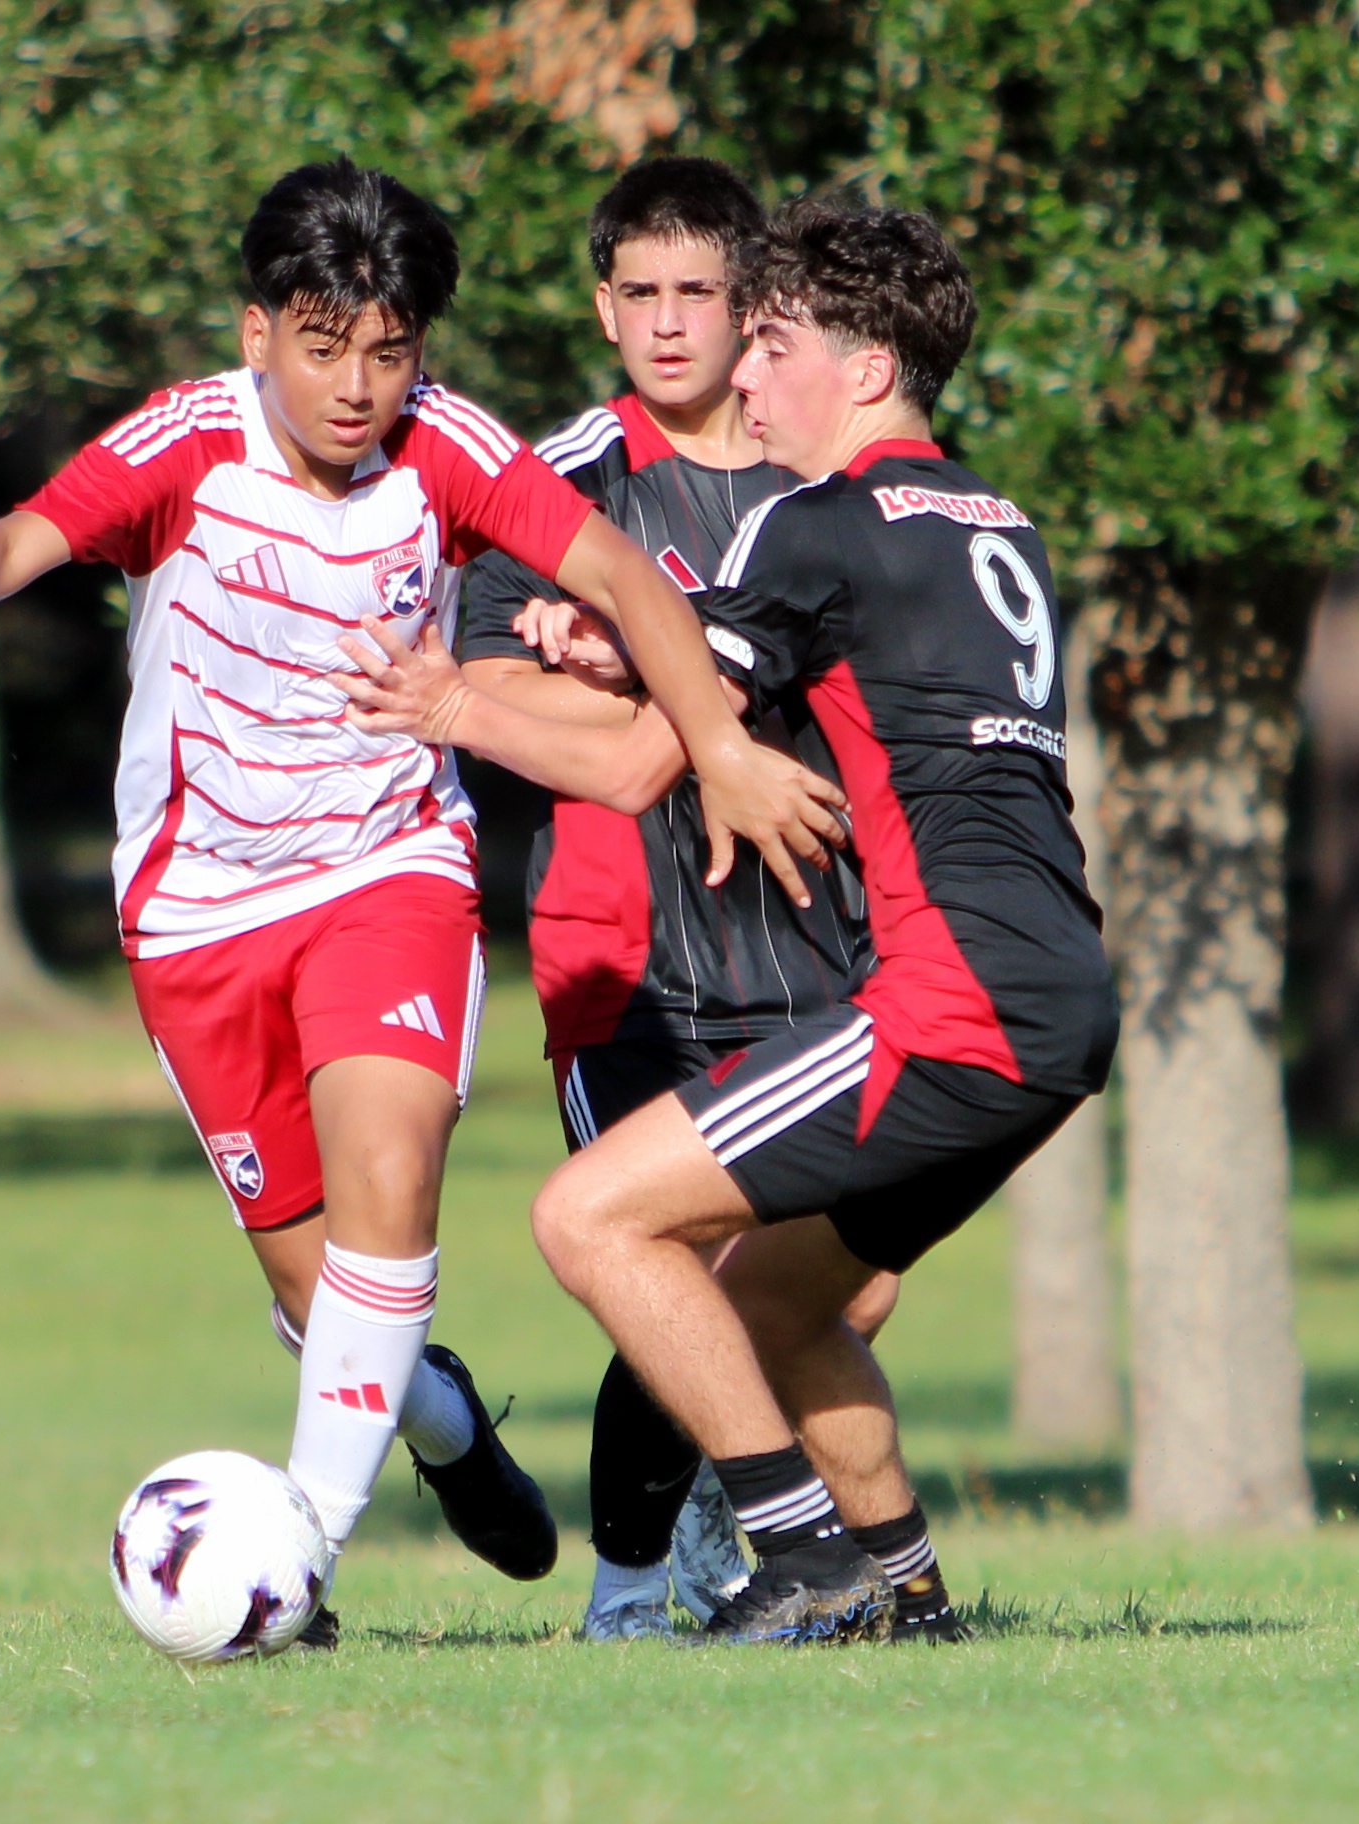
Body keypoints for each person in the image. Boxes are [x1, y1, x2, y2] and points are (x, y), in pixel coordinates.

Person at [0, 158, 846, 1641]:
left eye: (389, 352)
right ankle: (441, 1419)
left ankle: (302, 1566)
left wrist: (717, 746)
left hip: (386, 868)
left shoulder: (446, 447)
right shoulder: (185, 444)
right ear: (259, 331)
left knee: (390, 1183)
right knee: (317, 1287)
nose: (357, 388)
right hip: (198, 909)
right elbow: (21, 540)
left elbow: (617, 569)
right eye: (324, 347)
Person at [428, 196, 1116, 1644]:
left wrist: (462, 698)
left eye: (777, 344)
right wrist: (623, 648)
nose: (745, 372)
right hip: (1059, 989)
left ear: (866, 368)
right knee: (777, 1306)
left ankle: (803, 1561)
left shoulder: (817, 521)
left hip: (952, 1002)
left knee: (589, 1216)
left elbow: (657, 749)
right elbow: (807, 671)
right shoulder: (996, 520)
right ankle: (910, 1599)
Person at [449, 157, 905, 1641]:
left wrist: (650, 663)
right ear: (602, 307)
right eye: (637, 293)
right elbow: (481, 689)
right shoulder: (561, 480)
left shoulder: (816, 466)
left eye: (696, 292)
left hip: (817, 932)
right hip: (626, 953)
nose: (665, 323)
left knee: (838, 1285)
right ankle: (633, 1595)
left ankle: (726, 1504)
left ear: (748, 303)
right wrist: (659, 697)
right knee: (668, 1254)